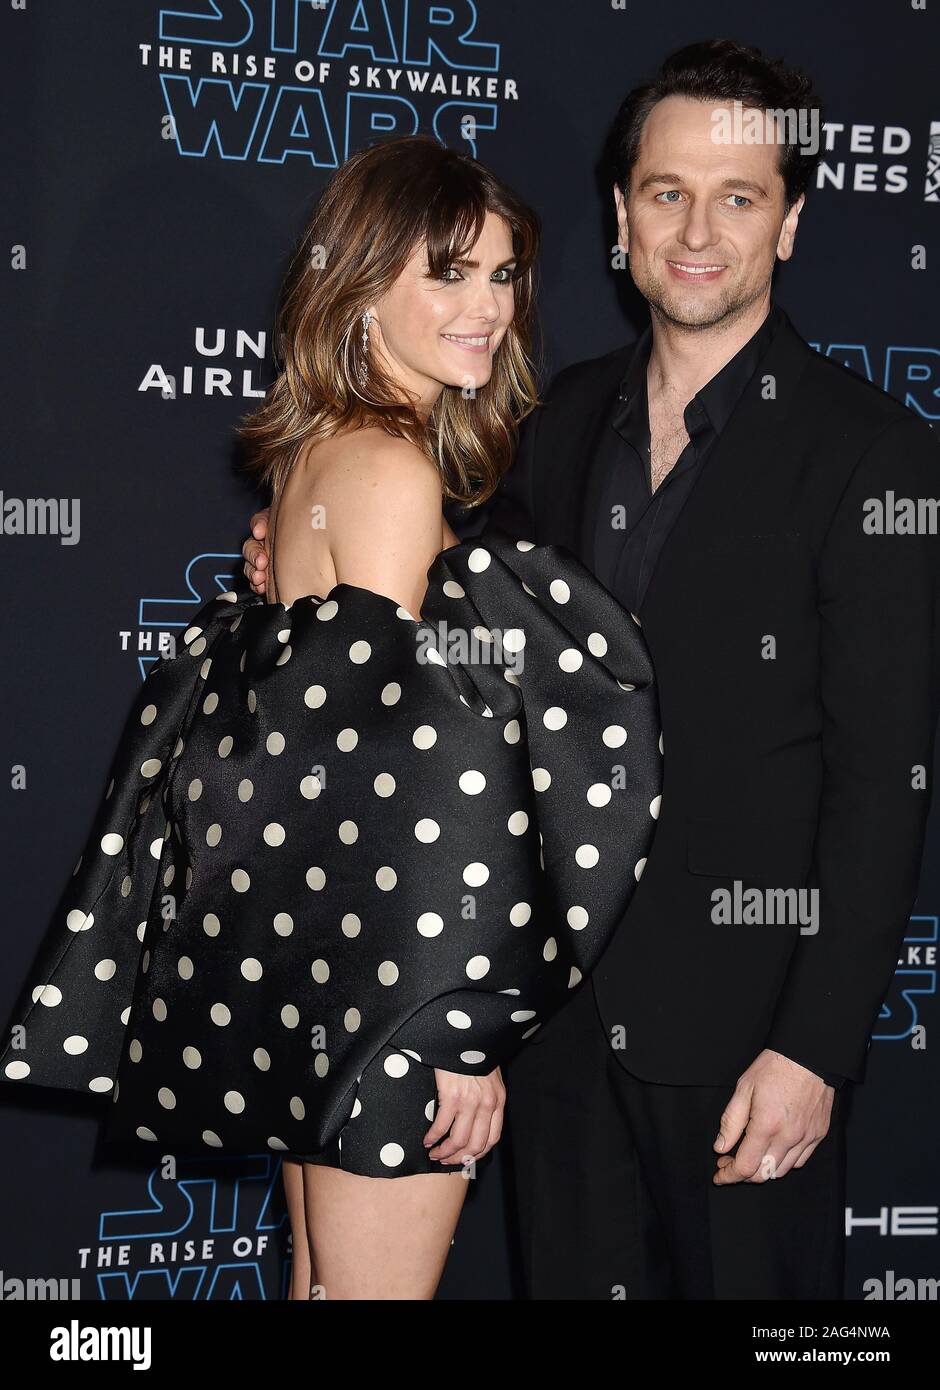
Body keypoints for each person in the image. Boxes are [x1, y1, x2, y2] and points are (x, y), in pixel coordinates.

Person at [247, 39, 940, 1302]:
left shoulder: (874, 455)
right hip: (550, 1033)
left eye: (740, 196)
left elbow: (882, 784)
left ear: (790, 223)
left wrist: (812, 1048)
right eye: (666, 191)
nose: (697, 229)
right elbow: (433, 647)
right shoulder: (546, 421)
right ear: (620, 215)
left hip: (742, 1044)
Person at [1, 135, 661, 1300]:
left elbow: (312, 757)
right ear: (357, 287)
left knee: (319, 1288)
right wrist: (463, 1028)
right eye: (446, 274)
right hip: (395, 990)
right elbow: (413, 782)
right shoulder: (395, 473)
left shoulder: (313, 457)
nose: (488, 310)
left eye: (503, 275)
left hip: (322, 982)